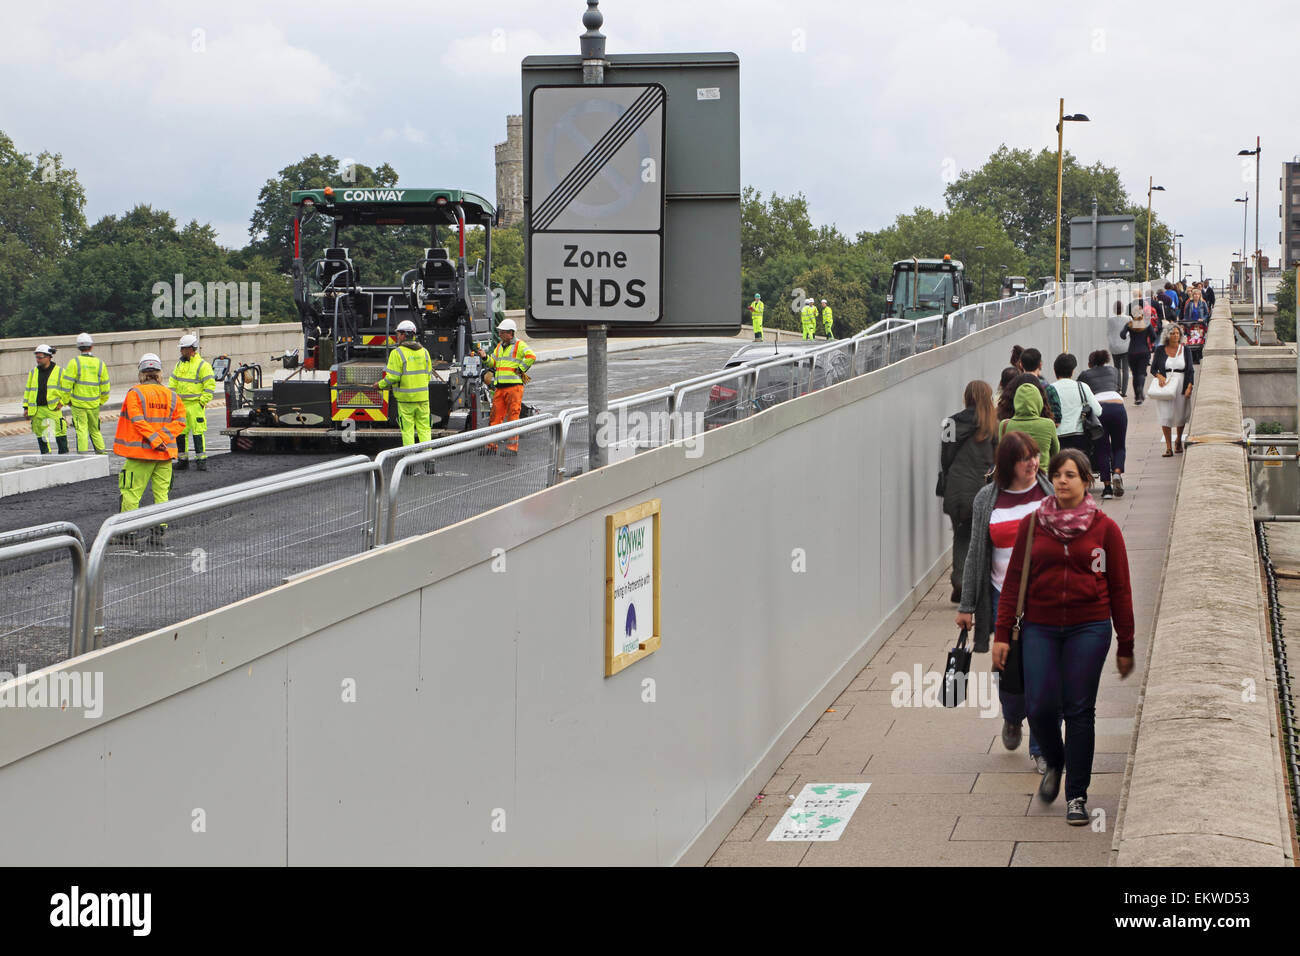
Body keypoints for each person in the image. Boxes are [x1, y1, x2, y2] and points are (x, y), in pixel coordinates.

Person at [993, 449, 1135, 824]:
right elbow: (1012, 584)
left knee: (1078, 709)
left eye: (1070, 475)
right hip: (1039, 625)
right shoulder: (1032, 524)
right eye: (1057, 474)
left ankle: (1077, 795)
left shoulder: (1105, 529)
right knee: (1039, 706)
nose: (1062, 480)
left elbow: (1120, 588)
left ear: (1086, 481)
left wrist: (1127, 643)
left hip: (1089, 627)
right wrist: (1002, 634)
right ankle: (1054, 762)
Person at [956, 431, 1056, 771]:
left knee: (1045, 675)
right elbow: (975, 555)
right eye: (1024, 458)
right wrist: (966, 606)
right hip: (1003, 600)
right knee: (1010, 674)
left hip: (1047, 599)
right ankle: (1013, 716)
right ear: (1007, 464)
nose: (1033, 462)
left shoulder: (1049, 491)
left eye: (1035, 456)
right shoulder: (987, 499)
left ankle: (1043, 748)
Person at [939, 381, 997, 603]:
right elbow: (997, 457)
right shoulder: (992, 424)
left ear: (966, 397)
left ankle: (960, 580)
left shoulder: (951, 422)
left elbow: (945, 457)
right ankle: (978, 584)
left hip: (955, 486)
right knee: (982, 537)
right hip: (982, 488)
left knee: (961, 534)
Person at [113, 353, 187, 527]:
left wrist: (154, 440)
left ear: (141, 373)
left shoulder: (135, 393)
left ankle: (128, 531)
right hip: (165, 455)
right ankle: (159, 531)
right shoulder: (172, 396)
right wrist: (162, 439)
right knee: (162, 494)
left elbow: (138, 420)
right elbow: (181, 422)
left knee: (131, 493)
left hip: (141, 454)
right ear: (159, 373)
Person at [476, 317, 535, 456]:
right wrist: (485, 357)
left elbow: (531, 356)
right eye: (500, 332)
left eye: (502, 332)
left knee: (513, 418)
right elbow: (493, 363)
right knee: (495, 417)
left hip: (514, 387)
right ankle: (491, 446)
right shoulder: (499, 347)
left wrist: (520, 369)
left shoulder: (520, 345)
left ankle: (512, 448)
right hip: (500, 388)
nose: (500, 335)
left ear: (511, 333)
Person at [1078, 351, 1128, 499]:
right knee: (1119, 445)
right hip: (1118, 406)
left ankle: (1107, 488)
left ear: (1089, 363)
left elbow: (1081, 392)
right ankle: (1117, 473)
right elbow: (1117, 386)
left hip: (1099, 410)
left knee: (1102, 448)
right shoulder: (1113, 370)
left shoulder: (1085, 374)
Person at [379, 319, 434, 448]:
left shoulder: (397, 353)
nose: (397, 337)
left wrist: (380, 385)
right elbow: (428, 375)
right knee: (425, 429)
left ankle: (409, 463)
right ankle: (429, 459)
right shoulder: (424, 352)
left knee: (408, 431)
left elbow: (392, 377)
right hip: (423, 400)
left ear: (404, 335)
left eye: (398, 334)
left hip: (406, 402)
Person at [167, 334, 215, 471]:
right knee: (180, 433)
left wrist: (202, 402)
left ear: (191, 349)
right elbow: (173, 382)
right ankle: (183, 460)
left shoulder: (203, 366)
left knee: (198, 433)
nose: (181, 351)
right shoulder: (180, 364)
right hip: (181, 405)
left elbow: (210, 386)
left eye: (183, 348)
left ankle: (201, 461)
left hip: (195, 405)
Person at [60, 331, 111, 453]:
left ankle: (82, 456)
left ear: (78, 347)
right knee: (95, 430)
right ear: (91, 346)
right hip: (94, 404)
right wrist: (101, 401)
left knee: (81, 430)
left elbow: (66, 385)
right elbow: (105, 387)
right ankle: (102, 453)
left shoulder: (74, 362)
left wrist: (67, 401)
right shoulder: (100, 363)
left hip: (78, 405)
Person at [1151, 323, 1195, 455]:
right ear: (1167, 335)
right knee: (1166, 415)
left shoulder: (1185, 350)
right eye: (1172, 333)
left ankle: (1178, 442)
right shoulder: (1160, 350)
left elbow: (1190, 370)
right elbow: (1153, 369)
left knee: (1180, 413)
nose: (1175, 336)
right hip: (1165, 385)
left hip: (1181, 383)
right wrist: (1159, 376)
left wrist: (1189, 387)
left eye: (1177, 333)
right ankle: (1168, 447)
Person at [999, 377, 1059, 472]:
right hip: (1042, 477)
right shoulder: (1048, 424)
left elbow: (1002, 455)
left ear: (1016, 402)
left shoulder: (1005, 425)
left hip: (1015, 479)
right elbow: (1055, 453)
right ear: (1039, 402)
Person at [1051, 353, 1102, 460]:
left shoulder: (1050, 389)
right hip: (1079, 437)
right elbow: (1098, 411)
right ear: (1073, 371)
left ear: (1055, 370)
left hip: (1057, 438)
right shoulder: (1082, 387)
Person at [23, 344, 69, 455]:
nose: (37, 360)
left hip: (53, 408)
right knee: (41, 434)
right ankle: (46, 455)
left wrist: (62, 402)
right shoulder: (33, 372)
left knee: (59, 432)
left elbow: (67, 389)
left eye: (40, 357)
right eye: (36, 357)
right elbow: (28, 390)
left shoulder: (60, 371)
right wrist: (26, 407)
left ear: (48, 357)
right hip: (38, 410)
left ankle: (63, 455)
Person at [1120, 308, 1157, 405]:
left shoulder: (1129, 324)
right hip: (1144, 351)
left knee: (1135, 374)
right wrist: (1149, 343)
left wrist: (1126, 336)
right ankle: (1140, 388)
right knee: (1141, 373)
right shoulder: (1147, 324)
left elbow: (1122, 335)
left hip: (1132, 352)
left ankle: (1137, 397)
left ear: (1132, 315)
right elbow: (1154, 337)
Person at [1018, 348, 1061, 424]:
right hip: (1043, 432)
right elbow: (1057, 419)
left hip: (1019, 433)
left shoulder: (1014, 386)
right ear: (1040, 364)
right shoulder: (1048, 388)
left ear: (1020, 364)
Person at [1106, 300, 1130, 397]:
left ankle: (1117, 389)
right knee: (1125, 369)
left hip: (1114, 347)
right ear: (1123, 309)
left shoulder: (1110, 320)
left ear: (1114, 309)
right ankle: (1124, 391)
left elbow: (1108, 333)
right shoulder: (1128, 318)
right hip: (1125, 347)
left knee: (1116, 369)